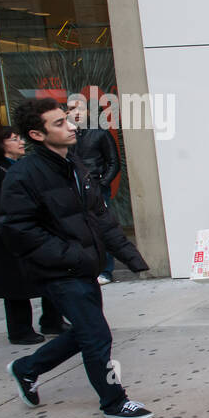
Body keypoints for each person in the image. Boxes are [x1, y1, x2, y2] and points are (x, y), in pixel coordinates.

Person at [0, 97, 154, 418]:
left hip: (83, 266)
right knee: (97, 335)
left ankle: (27, 368)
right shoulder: (24, 175)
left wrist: (130, 257)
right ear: (37, 134)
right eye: (59, 123)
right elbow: (18, 231)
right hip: (61, 271)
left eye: (68, 120)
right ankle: (114, 402)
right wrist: (72, 256)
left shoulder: (76, 165)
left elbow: (100, 217)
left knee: (86, 332)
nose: (71, 126)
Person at [0, 123, 68, 343]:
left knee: (48, 275)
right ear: (0, 145)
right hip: (9, 239)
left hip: (28, 233)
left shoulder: (18, 166)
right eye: (13, 139)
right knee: (15, 287)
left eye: (19, 137)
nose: (20, 142)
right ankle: (20, 331)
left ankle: (52, 321)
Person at [68, 91, 121, 285]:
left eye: (79, 107)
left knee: (102, 227)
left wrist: (101, 184)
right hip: (75, 189)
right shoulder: (68, 135)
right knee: (81, 229)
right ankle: (91, 268)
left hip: (97, 188)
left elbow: (114, 162)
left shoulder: (100, 132)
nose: (75, 112)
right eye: (71, 108)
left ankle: (106, 271)